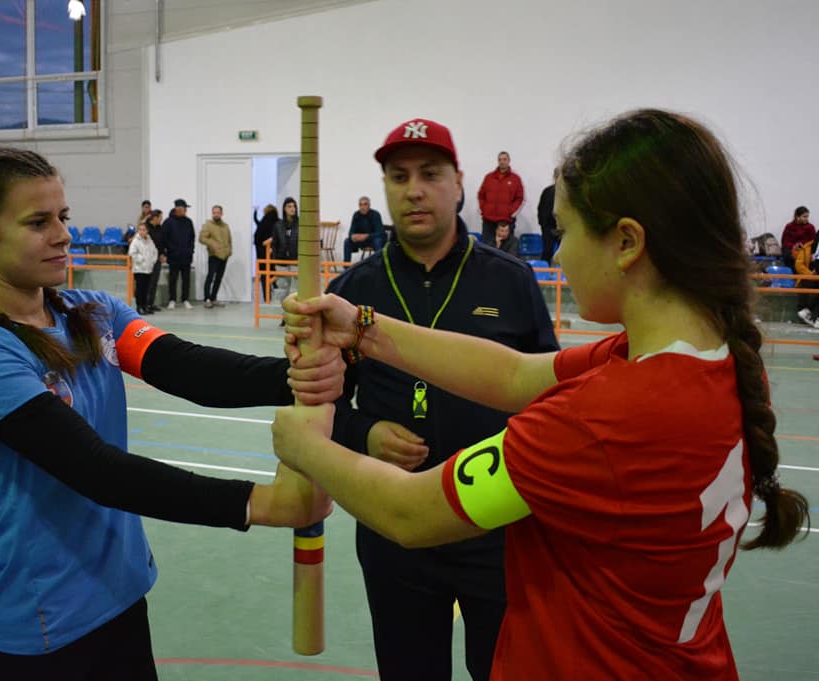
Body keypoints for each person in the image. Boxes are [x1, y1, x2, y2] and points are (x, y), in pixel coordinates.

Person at [274, 109, 811, 681]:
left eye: (567, 231)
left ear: (626, 243)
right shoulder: (693, 359)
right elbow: (513, 374)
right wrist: (361, 327)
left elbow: (409, 512)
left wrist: (303, 443)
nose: (557, 254)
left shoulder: (601, 418)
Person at [0, 147, 342, 680]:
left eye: (64, 217)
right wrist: (261, 504)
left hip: (119, 596)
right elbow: (95, 471)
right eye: (38, 222)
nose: (62, 234)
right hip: (37, 628)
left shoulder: (90, 312)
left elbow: (186, 368)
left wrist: (303, 373)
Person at [321, 118, 559, 681]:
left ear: (458, 183)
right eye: (398, 176)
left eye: (430, 174)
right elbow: (320, 411)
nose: (414, 189)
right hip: (393, 529)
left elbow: (550, 406)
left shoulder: (510, 282)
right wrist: (365, 436)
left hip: (496, 530)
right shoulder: (353, 292)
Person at [477, 151, 523, 248]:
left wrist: (510, 212)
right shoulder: (488, 177)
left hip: (505, 223)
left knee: (505, 253)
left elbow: (520, 198)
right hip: (488, 222)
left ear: (509, 161)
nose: (502, 162)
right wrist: (483, 209)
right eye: (500, 159)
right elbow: (481, 195)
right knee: (486, 250)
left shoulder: (515, 179)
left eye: (504, 159)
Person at [162, 198, 195, 309]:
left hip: (186, 256)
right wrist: (168, 251)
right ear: (177, 209)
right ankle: (172, 300)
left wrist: (190, 251)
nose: (184, 211)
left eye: (185, 209)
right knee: (173, 279)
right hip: (173, 256)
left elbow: (192, 238)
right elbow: (164, 239)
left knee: (186, 279)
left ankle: (185, 299)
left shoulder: (188, 222)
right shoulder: (168, 222)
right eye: (183, 208)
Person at [199, 204, 232, 308]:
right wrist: (211, 243)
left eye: (218, 212)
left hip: (224, 256)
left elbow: (229, 239)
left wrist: (229, 251)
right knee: (210, 277)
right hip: (214, 255)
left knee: (219, 278)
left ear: (221, 213)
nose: (216, 214)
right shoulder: (208, 224)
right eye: (214, 212)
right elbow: (201, 238)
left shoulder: (225, 226)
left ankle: (213, 298)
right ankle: (207, 299)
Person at [342, 196, 386, 264]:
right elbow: (351, 232)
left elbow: (381, 233)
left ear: (369, 205)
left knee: (378, 241)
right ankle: (346, 268)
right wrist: (353, 236)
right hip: (361, 241)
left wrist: (366, 236)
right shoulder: (356, 215)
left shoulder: (375, 214)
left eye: (365, 204)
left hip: (372, 240)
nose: (363, 207)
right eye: (360, 204)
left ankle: (379, 267)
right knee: (347, 241)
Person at [271, 196, 299, 297]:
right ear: (284, 208)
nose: (292, 209)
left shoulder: (301, 224)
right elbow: (274, 243)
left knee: (296, 290)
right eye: (289, 206)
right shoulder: (278, 225)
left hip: (296, 261)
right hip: (281, 261)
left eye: (294, 206)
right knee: (282, 288)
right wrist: (275, 259)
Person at [128, 221, 158, 314]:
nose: (142, 231)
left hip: (148, 269)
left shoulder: (150, 240)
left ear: (147, 231)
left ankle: (145, 306)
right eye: (140, 230)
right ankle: (139, 306)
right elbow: (132, 253)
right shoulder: (135, 241)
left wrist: (152, 261)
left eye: (144, 230)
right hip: (139, 269)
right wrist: (142, 260)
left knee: (146, 289)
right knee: (140, 289)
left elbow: (154, 251)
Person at [253, 203, 279, 302]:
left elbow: (257, 239)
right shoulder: (279, 223)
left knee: (265, 276)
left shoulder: (263, 223)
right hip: (276, 257)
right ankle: (278, 295)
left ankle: (267, 298)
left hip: (263, 257)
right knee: (277, 274)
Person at [144, 209, 165, 311]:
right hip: (147, 259)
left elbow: (161, 243)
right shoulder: (145, 228)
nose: (161, 219)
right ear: (155, 218)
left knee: (154, 282)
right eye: (160, 218)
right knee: (147, 282)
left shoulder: (159, 228)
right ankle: (144, 304)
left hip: (157, 259)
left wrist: (162, 254)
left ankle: (151, 303)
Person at [537, 170, 559, 262]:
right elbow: (540, 209)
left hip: (564, 229)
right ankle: (544, 274)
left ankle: (565, 275)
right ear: (554, 177)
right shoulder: (547, 192)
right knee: (547, 251)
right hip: (548, 228)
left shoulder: (569, 193)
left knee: (566, 254)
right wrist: (543, 225)